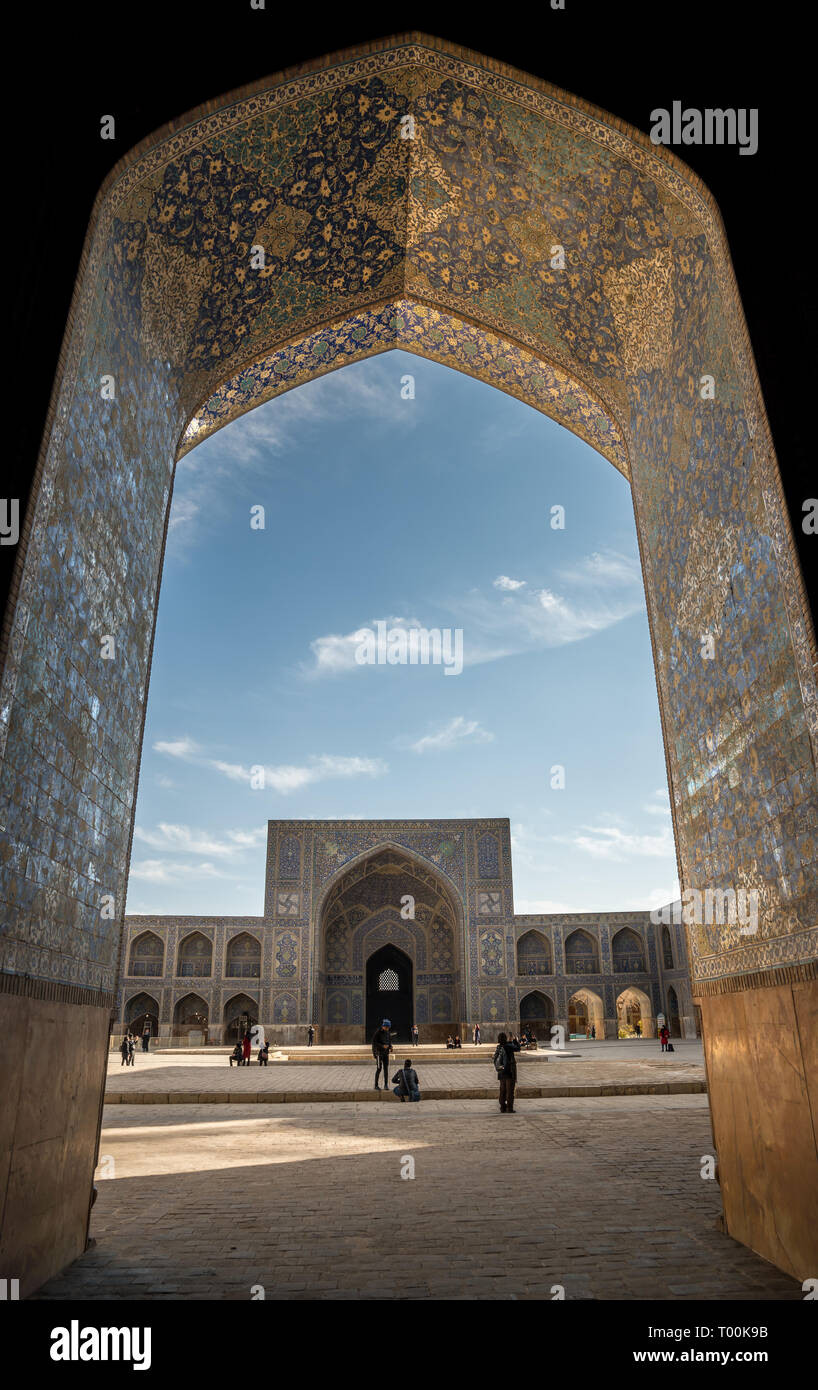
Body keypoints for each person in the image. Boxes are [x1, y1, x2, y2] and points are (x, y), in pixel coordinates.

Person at [493, 1031, 521, 1113]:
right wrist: (515, 1040)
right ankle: (509, 1108)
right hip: (509, 1072)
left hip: (501, 1072)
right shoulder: (509, 1046)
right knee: (509, 1091)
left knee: (502, 1090)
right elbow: (518, 1048)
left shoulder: (498, 1047)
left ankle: (502, 1107)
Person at [371, 1018, 393, 1090]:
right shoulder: (378, 1032)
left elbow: (389, 1042)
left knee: (386, 1069)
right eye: (386, 1027)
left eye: (388, 1027)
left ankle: (386, 1085)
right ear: (383, 1026)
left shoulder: (388, 1033)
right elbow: (374, 1043)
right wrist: (381, 1047)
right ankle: (376, 1085)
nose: (387, 1029)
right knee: (379, 1069)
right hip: (379, 1054)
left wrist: (390, 1047)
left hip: (386, 1054)